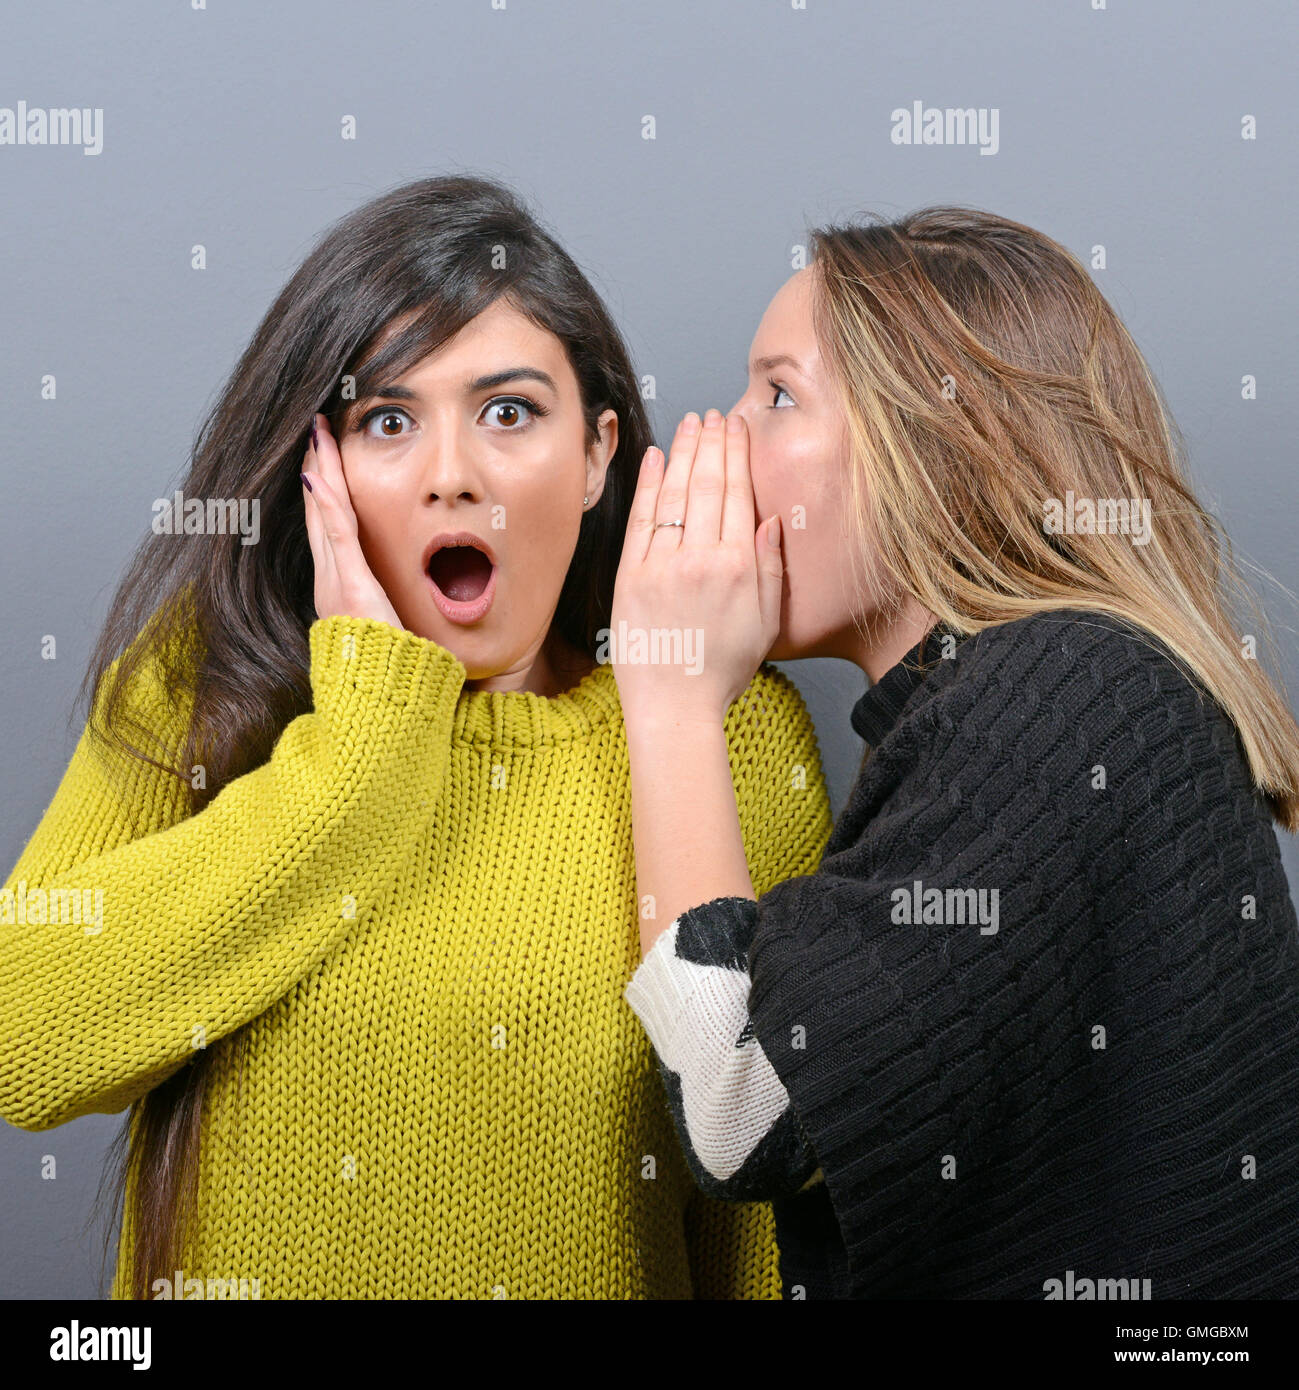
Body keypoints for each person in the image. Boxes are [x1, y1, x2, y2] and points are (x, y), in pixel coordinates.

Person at [0, 175, 832, 1299]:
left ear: (596, 455)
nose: (451, 475)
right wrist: (360, 754)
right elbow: (27, 1036)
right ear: (321, 470)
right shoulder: (205, 684)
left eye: (508, 412)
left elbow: (760, 1212)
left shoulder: (725, 739)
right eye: (388, 421)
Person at [614, 207, 1299, 1299]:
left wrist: (670, 700)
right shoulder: (1052, 699)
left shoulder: (1058, 703)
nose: (721, 437)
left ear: (931, 448)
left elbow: (739, 1105)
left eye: (778, 394)